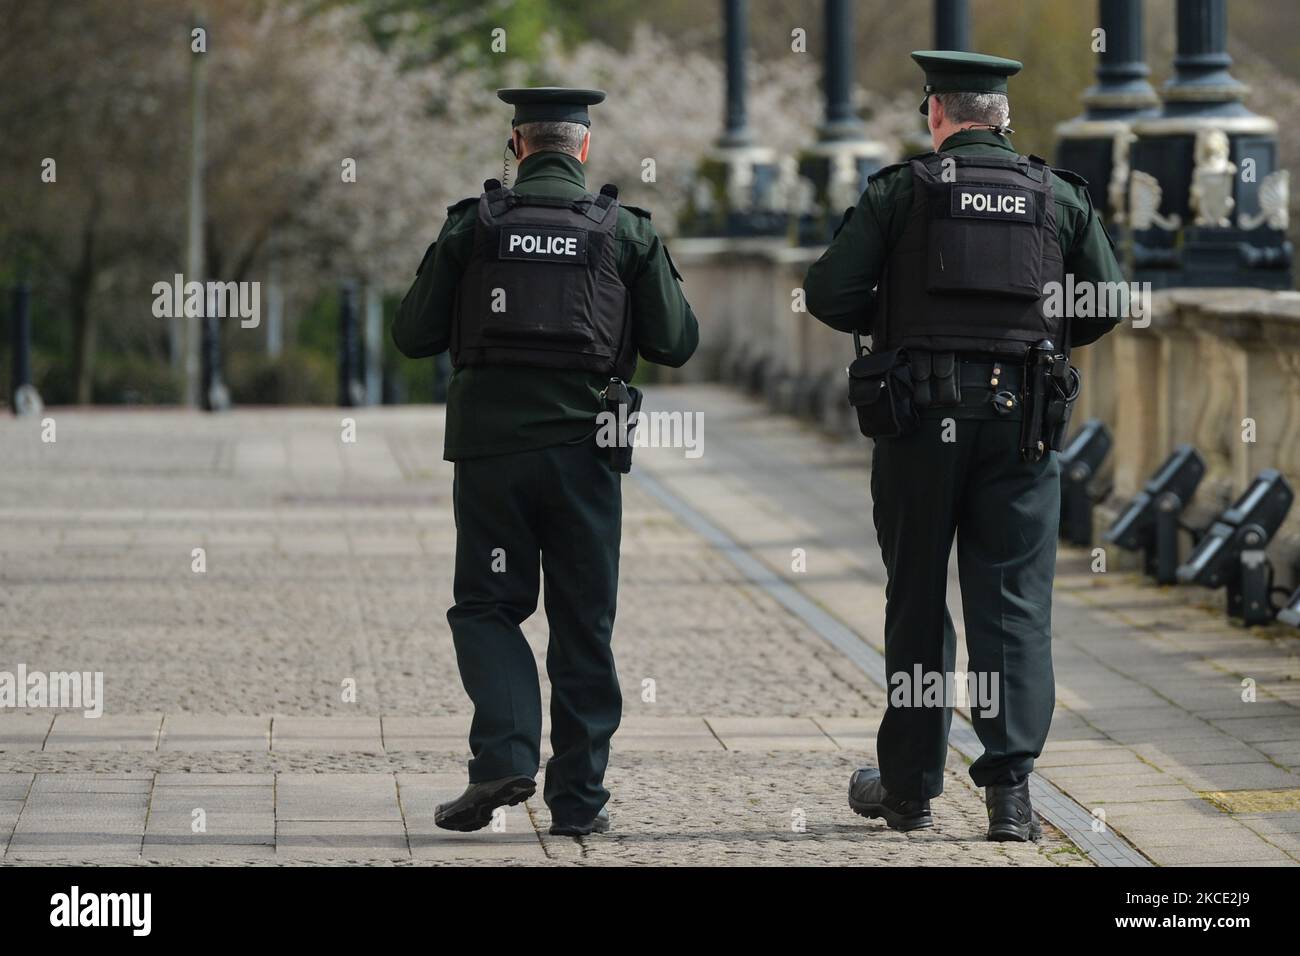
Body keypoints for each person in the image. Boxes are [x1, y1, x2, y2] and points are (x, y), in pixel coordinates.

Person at [803, 52, 1123, 841]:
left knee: (916, 600)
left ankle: (909, 788)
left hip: (918, 424)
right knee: (1012, 604)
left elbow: (827, 294)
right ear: (1002, 118)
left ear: (937, 114)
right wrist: (1036, 338)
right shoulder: (1058, 196)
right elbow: (1106, 298)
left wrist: (903, 310)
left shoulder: (901, 193)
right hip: (1021, 423)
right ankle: (1009, 794)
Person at [392, 87, 699, 837]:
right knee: (582, 621)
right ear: (583, 148)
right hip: (585, 459)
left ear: (517, 144)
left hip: (493, 458)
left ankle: (503, 753)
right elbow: (677, 342)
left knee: (490, 606)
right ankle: (579, 803)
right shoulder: (624, 233)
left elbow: (413, 333)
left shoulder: (475, 226)